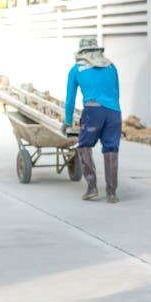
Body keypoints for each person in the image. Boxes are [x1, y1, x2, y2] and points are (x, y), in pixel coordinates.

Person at [62, 38, 121, 204]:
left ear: (81, 54)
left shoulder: (76, 69)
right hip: (114, 113)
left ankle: (92, 187)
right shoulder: (111, 66)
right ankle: (111, 193)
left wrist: (67, 122)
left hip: (92, 111)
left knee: (84, 145)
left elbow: (70, 100)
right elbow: (116, 92)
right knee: (111, 149)